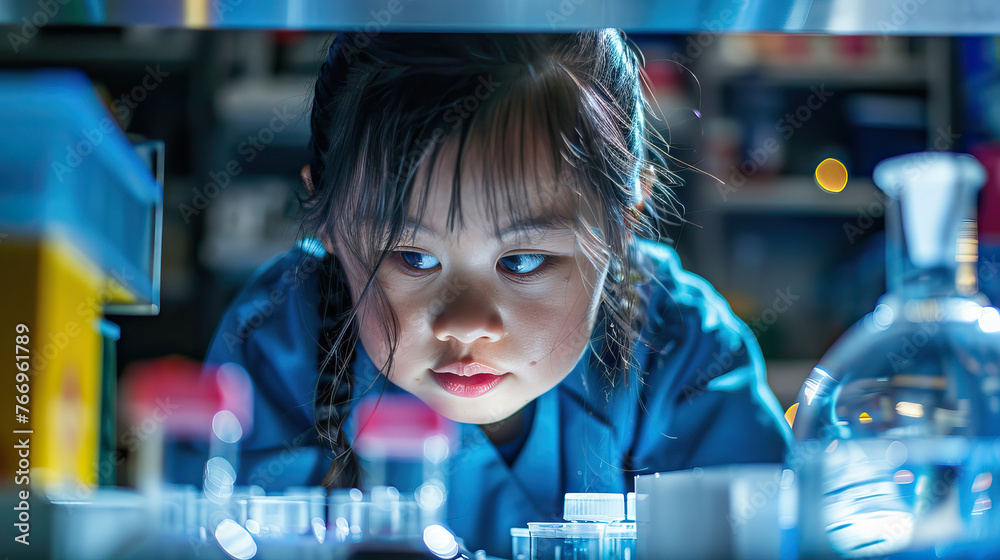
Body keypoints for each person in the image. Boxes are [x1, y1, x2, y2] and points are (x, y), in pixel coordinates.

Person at [170, 29, 792, 556]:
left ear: (626, 219)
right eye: (412, 257)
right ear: (328, 222)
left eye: (523, 261)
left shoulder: (682, 352)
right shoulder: (279, 345)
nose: (466, 324)